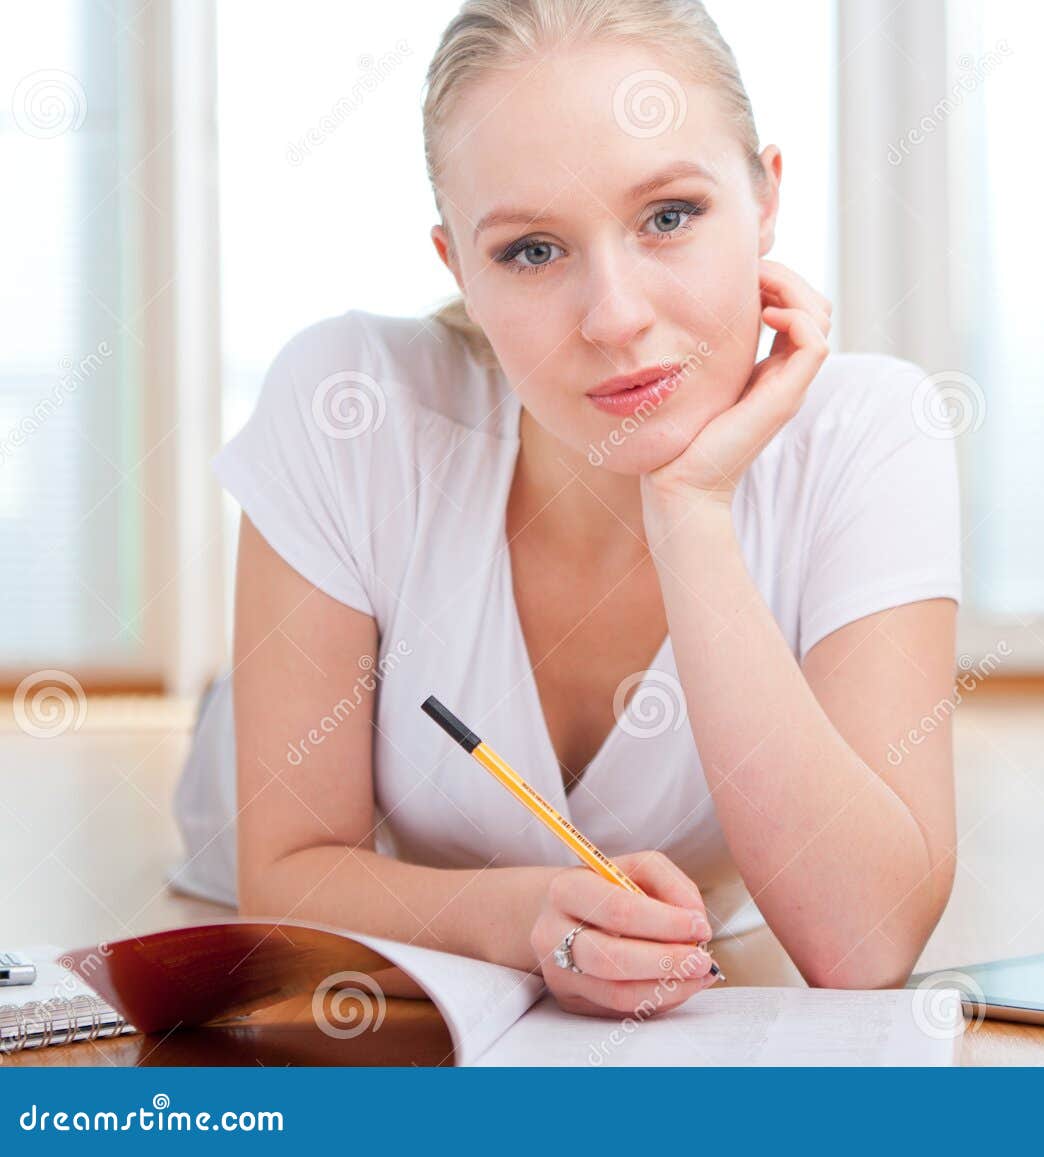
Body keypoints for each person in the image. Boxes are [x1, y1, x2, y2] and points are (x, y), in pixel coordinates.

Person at [173, 0, 961, 1019]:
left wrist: (688, 506)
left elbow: (863, 939)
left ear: (766, 200)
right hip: (256, 819)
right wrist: (529, 918)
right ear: (458, 266)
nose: (616, 316)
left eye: (669, 216)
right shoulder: (351, 404)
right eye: (531, 251)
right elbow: (285, 873)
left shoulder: (869, 428)